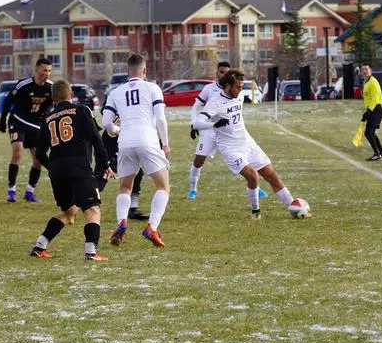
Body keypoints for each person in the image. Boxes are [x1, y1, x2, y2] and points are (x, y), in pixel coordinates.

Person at [193, 69, 310, 220]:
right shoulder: (215, 102)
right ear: (228, 86)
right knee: (253, 176)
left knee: (271, 175)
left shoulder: (239, 96)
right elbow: (197, 123)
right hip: (230, 148)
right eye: (238, 87)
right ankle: (256, 213)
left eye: (242, 86)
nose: (241, 90)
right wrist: (214, 122)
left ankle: (293, 207)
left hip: (247, 142)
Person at [30, 80, 115, 261]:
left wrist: (52, 166)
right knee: (92, 209)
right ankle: (91, 252)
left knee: (69, 212)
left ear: (53, 98)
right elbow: (95, 139)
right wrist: (106, 163)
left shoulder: (47, 118)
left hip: (57, 171)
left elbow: (39, 154)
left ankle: (39, 246)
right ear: (71, 95)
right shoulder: (82, 110)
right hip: (78, 167)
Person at [103, 53, 171, 248]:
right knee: (163, 186)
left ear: (127, 72)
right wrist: (165, 143)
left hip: (125, 142)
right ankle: (152, 227)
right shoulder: (152, 88)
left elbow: (106, 123)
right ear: (145, 71)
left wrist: (120, 129)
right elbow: (160, 118)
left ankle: (121, 222)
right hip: (147, 140)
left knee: (125, 187)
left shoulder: (116, 92)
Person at [187, 61, 267, 200]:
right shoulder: (209, 89)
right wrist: (193, 124)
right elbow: (196, 106)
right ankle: (193, 189)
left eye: (226, 72)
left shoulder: (237, 90)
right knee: (199, 160)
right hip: (210, 130)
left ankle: (256, 186)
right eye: (221, 72)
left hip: (231, 133)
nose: (224, 74)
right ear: (217, 72)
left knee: (245, 158)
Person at [0, 58, 53, 203]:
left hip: (35, 125)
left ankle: (29, 191)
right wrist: (2, 120)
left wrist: (46, 116)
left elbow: (49, 107)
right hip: (18, 121)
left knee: (38, 159)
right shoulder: (24, 85)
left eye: (49, 71)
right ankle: (11, 190)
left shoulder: (50, 88)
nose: (47, 73)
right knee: (18, 151)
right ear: (36, 70)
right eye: (44, 70)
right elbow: (8, 101)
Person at [97, 110, 150, 220]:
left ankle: (133, 208)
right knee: (103, 176)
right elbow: (105, 110)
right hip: (109, 146)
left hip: (123, 143)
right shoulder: (124, 104)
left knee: (137, 172)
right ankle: (78, 204)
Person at [360, 63, 382, 161]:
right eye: (363, 69)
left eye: (366, 69)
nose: (364, 71)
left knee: (369, 132)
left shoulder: (373, 82)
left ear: (370, 70)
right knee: (371, 132)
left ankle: (377, 154)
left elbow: (375, 99)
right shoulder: (366, 81)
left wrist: (369, 111)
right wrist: (366, 111)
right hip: (371, 109)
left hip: (376, 109)